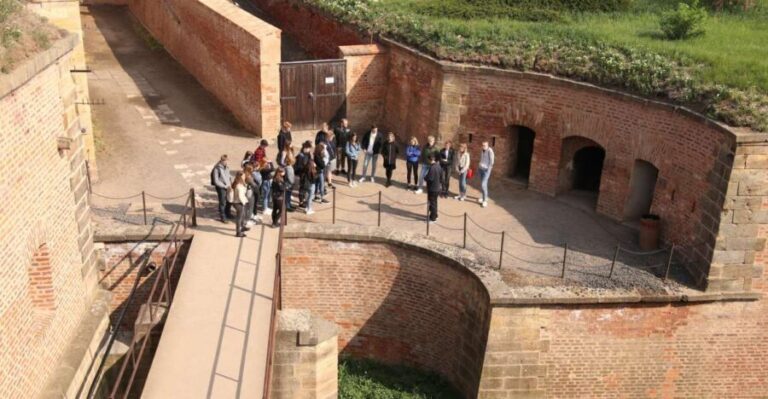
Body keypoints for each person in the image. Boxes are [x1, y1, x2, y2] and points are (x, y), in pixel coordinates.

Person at [212, 155, 232, 223]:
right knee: (222, 202)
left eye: (227, 161)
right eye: (226, 161)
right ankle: (223, 217)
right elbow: (216, 181)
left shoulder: (227, 167)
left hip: (228, 186)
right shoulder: (217, 169)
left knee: (229, 200)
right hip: (221, 188)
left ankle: (228, 213)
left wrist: (230, 184)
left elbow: (229, 176)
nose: (227, 162)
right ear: (222, 161)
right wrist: (224, 186)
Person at [229, 171, 250, 237]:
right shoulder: (238, 186)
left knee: (242, 215)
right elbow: (241, 196)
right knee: (239, 218)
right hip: (238, 203)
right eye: (243, 176)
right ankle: (238, 232)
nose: (244, 177)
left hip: (239, 202)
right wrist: (244, 202)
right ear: (240, 177)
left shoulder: (240, 183)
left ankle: (242, 226)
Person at [424, 155, 442, 222]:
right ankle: (435, 215)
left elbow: (430, 178)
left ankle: (433, 218)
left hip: (432, 188)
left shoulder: (432, 168)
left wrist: (425, 178)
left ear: (430, 160)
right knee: (435, 202)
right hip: (437, 188)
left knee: (432, 203)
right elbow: (441, 176)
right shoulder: (438, 166)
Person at [294, 141, 313, 208]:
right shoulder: (301, 156)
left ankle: (304, 199)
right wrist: (306, 167)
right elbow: (299, 166)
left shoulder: (308, 154)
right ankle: (301, 201)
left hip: (306, 173)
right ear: (305, 148)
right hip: (302, 174)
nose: (309, 149)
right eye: (308, 148)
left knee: (305, 187)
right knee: (302, 188)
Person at [478, 141, 495, 208]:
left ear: (487, 145)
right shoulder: (482, 150)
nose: (483, 146)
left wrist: (488, 169)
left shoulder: (490, 151)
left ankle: (485, 201)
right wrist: (479, 165)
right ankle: (484, 197)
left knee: (483, 184)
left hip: (486, 170)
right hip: (481, 169)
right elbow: (482, 159)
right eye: (482, 145)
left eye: (485, 145)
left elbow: (492, 161)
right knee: (484, 184)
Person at [284, 148, 296, 212]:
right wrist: (292, 182)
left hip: (289, 184)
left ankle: (289, 204)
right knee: (287, 195)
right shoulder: (288, 167)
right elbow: (289, 177)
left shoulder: (289, 166)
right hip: (288, 184)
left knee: (289, 195)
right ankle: (287, 206)